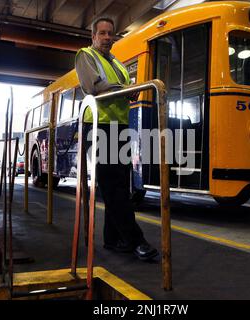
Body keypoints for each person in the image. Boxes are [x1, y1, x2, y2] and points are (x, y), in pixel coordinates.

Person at [75, 17, 158, 261]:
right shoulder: (85, 55)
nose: (107, 37)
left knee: (120, 184)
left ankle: (113, 239)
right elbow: (94, 85)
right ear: (93, 36)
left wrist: (128, 92)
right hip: (100, 125)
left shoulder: (118, 64)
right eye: (102, 33)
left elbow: (123, 90)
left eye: (110, 34)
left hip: (119, 126)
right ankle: (136, 240)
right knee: (114, 186)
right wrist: (125, 91)